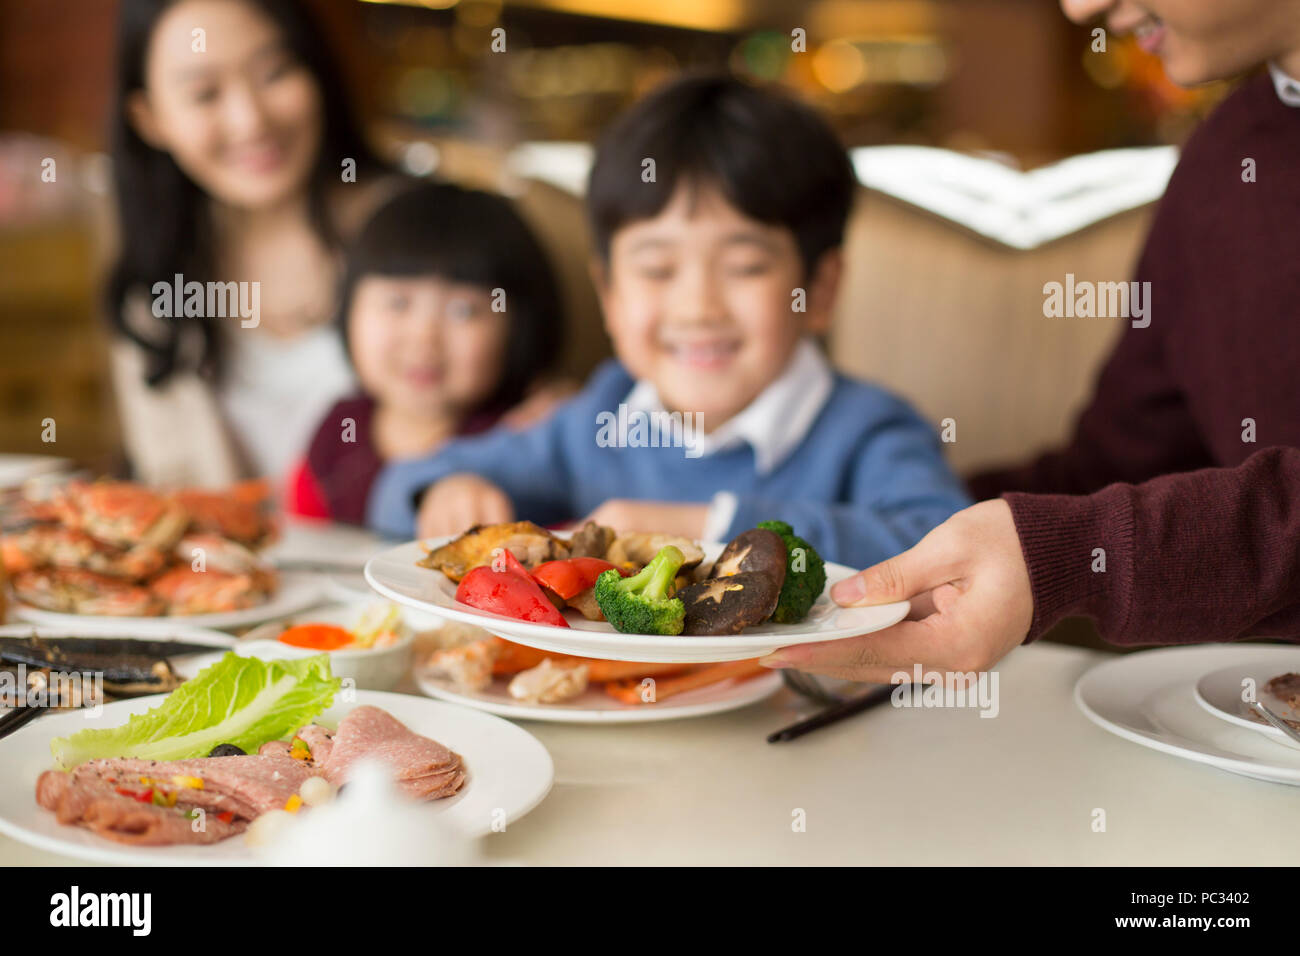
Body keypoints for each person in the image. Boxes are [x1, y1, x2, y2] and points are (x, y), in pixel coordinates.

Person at [761, 0, 1300, 679]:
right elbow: (1120, 466)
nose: (1083, 8)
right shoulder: (1228, 156)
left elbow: (1084, 533)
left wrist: (1071, 553)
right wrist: (885, 517)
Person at [367, 74, 971, 570]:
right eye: (657, 269)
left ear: (819, 288)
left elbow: (946, 548)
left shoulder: (866, 430)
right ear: (609, 294)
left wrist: (709, 529)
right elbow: (398, 489)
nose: (697, 308)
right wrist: (447, 492)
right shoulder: (602, 419)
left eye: (744, 266)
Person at [106, 0, 404, 490]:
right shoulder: (153, 290)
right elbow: (174, 491)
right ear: (149, 118)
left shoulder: (420, 229)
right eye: (204, 94)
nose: (251, 121)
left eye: (275, 71)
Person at [286, 181, 569, 525]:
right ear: (348, 310)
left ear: (521, 326)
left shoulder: (527, 436)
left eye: (463, 311)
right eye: (398, 303)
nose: (424, 338)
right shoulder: (339, 429)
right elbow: (301, 537)